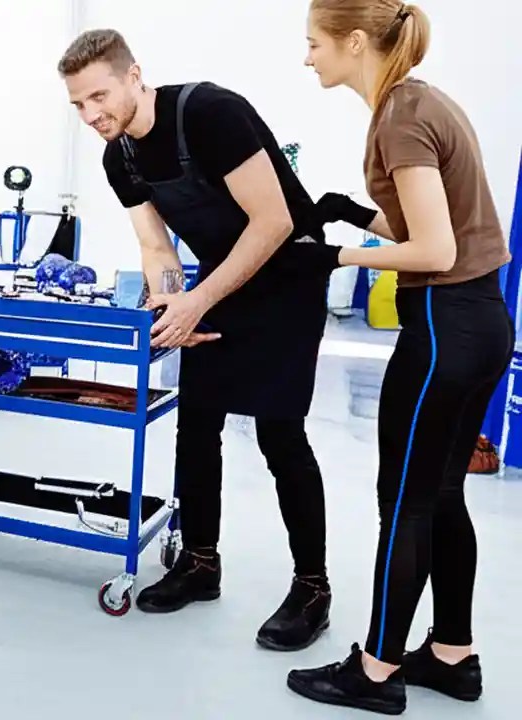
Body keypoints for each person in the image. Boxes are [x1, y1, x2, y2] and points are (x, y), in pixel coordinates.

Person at [57, 30, 336, 650]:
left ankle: (312, 588)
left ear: (135, 76)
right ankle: (201, 563)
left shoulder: (210, 114)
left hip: (289, 278)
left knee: (280, 433)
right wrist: (168, 299)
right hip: (217, 284)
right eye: (77, 105)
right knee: (197, 422)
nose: (91, 115)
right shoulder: (119, 158)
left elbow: (275, 221)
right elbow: (156, 245)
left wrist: (198, 299)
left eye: (99, 95)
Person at [287, 1, 512, 714]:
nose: (308, 57)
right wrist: (353, 212)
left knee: (405, 502)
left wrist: (331, 255)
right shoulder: (421, 103)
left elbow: (433, 252)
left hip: (443, 329)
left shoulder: (400, 116)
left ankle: (376, 672)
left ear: (355, 41)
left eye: (314, 43)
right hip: (482, 323)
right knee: (443, 493)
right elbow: (426, 226)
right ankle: (452, 654)